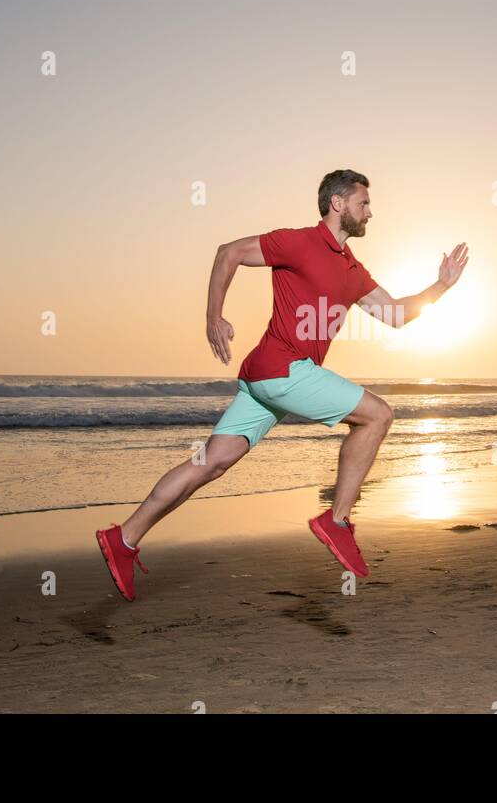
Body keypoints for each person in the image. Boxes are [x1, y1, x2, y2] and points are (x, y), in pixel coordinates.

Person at [96, 169, 469, 600]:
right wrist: (212, 317)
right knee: (377, 415)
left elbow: (396, 316)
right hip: (283, 368)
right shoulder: (298, 241)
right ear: (338, 204)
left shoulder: (352, 269)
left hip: (263, 380)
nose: (370, 212)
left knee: (211, 463)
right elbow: (228, 253)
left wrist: (441, 285)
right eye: (363, 203)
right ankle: (338, 520)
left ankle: (123, 539)